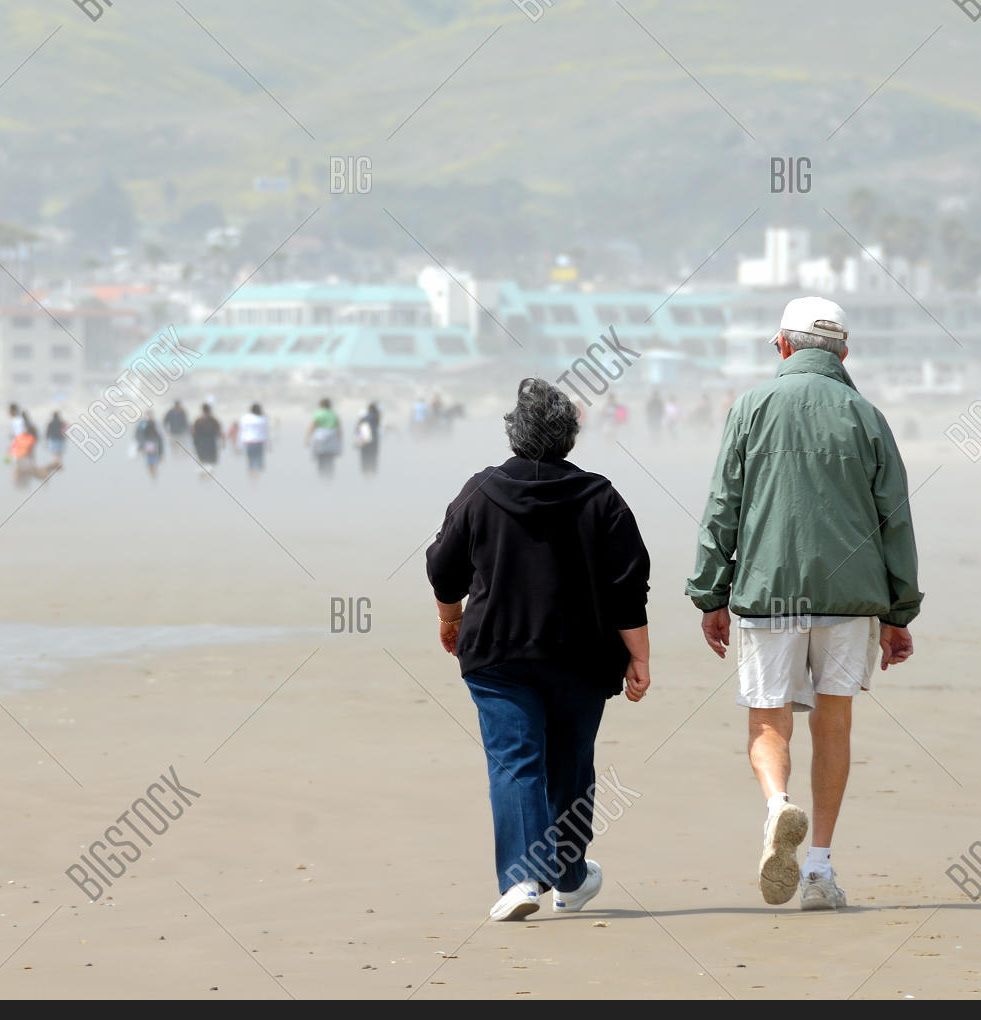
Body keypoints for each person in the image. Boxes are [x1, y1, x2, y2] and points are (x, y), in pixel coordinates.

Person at [686, 296, 922, 912]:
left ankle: (776, 806)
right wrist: (899, 612)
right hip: (849, 600)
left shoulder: (750, 408)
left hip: (770, 594)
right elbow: (894, 519)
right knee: (834, 723)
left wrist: (711, 593)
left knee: (769, 719)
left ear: (783, 347)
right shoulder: (866, 416)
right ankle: (818, 868)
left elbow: (723, 508)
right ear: (844, 353)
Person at [426, 377, 652, 922]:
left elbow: (442, 566)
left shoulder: (481, 490)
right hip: (582, 656)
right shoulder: (600, 495)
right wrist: (640, 657)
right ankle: (570, 880)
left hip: (498, 654)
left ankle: (525, 881)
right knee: (571, 765)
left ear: (514, 434)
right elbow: (629, 583)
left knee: (515, 763)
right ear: (569, 437)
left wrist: (450, 619)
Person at [306, 397, 342, 477]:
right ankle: (329, 476)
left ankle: (322, 475)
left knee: (321, 457)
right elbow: (339, 428)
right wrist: (340, 440)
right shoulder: (334, 414)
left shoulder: (318, 414)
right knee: (330, 458)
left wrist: (307, 439)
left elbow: (312, 426)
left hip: (319, 437)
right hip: (332, 437)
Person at [190, 402, 223, 478]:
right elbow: (219, 432)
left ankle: (203, 481)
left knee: (203, 463)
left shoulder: (198, 420)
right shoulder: (214, 420)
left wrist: (194, 443)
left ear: (202, 410)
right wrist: (222, 443)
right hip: (211, 445)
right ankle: (209, 482)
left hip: (201, 445)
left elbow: (193, 433)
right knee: (210, 464)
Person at [238, 402, 268, 475]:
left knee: (251, 462)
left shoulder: (245, 418)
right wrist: (268, 444)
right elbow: (266, 432)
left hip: (249, 443)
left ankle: (252, 480)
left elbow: (242, 431)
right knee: (258, 462)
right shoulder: (262, 418)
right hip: (259, 443)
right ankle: (256, 479)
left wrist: (239, 444)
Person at [135, 410, 164, 481]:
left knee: (153, 459)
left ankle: (153, 474)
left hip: (154, 441)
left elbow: (159, 433)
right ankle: (152, 475)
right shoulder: (144, 423)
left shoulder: (154, 423)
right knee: (151, 459)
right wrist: (141, 443)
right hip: (149, 442)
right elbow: (139, 433)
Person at [356, 401, 381, 475]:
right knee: (373, 458)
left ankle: (366, 474)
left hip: (365, 439)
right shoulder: (377, 417)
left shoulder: (364, 417)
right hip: (374, 440)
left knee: (365, 458)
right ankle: (372, 474)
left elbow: (358, 429)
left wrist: (358, 440)